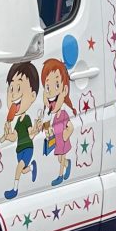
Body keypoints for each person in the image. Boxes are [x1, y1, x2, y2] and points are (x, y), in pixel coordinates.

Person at [4, 61, 41, 198]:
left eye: (18, 88)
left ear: (32, 96)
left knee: (19, 168)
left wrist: (36, 129)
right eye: (11, 89)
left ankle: (14, 190)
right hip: (18, 149)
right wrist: (7, 134)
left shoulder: (26, 119)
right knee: (23, 169)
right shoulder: (17, 122)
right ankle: (32, 168)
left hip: (27, 148)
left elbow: (30, 133)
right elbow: (14, 136)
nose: (13, 94)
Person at [41, 58, 76, 187]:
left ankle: (60, 176)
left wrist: (66, 135)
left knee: (61, 159)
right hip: (58, 141)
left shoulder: (64, 114)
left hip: (63, 141)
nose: (50, 91)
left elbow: (70, 127)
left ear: (65, 90)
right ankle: (68, 164)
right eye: (47, 86)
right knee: (60, 158)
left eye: (56, 85)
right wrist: (48, 131)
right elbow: (52, 127)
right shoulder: (54, 116)